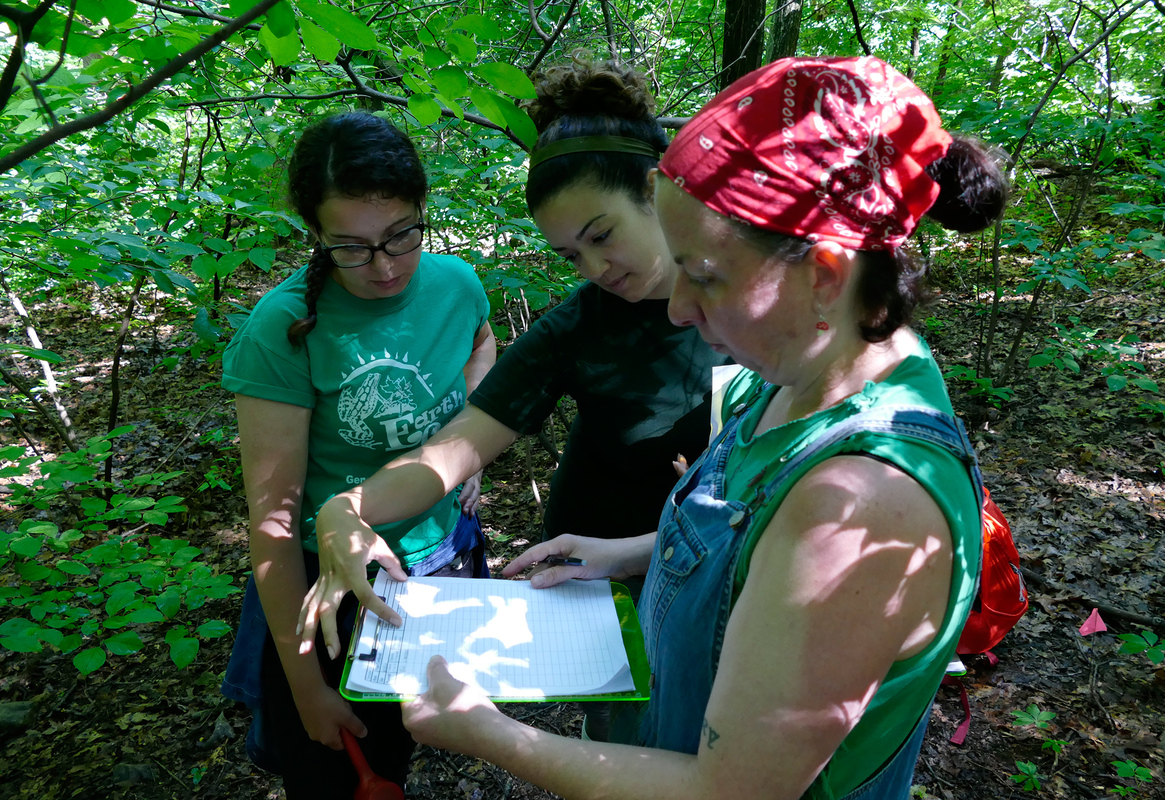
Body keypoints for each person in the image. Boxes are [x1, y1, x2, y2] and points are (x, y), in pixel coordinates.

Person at [397, 55, 1008, 800]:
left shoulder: (859, 502)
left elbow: (730, 790)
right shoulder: (805, 374)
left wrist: (490, 734)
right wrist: (627, 554)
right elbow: (756, 548)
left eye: (706, 275)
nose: (678, 307)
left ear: (825, 273)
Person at [297, 59, 729, 660]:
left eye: (602, 236)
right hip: (598, 577)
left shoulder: (751, 301)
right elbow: (455, 449)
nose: (596, 270)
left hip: (728, 569)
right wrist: (351, 506)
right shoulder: (578, 327)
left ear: (657, 190)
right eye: (571, 255)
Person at [218, 111, 495, 799]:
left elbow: (483, 344)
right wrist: (306, 686)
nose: (384, 266)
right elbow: (274, 525)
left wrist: (470, 448)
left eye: (401, 235)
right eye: (351, 246)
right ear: (315, 235)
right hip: (332, 588)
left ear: (421, 210)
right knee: (332, 773)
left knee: (401, 742)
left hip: (440, 559)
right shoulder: (283, 329)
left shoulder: (456, 283)